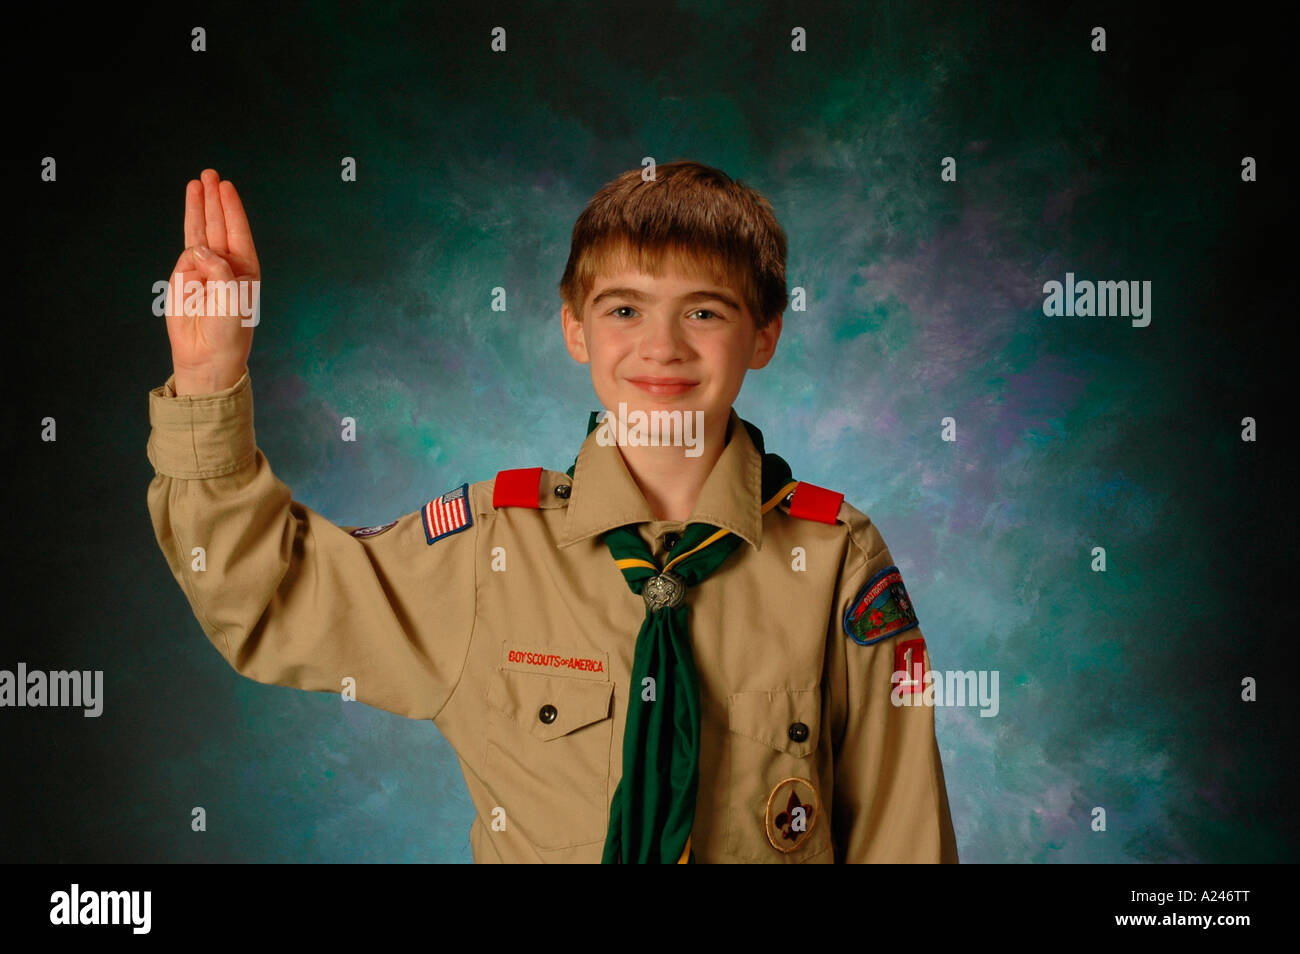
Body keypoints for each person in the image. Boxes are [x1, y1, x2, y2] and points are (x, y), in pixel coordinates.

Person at [147, 161, 959, 863]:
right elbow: (267, 596)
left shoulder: (832, 559)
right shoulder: (488, 553)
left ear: (766, 334)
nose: (663, 346)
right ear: (576, 330)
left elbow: (902, 831)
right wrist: (210, 382)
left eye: (705, 311)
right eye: (624, 309)